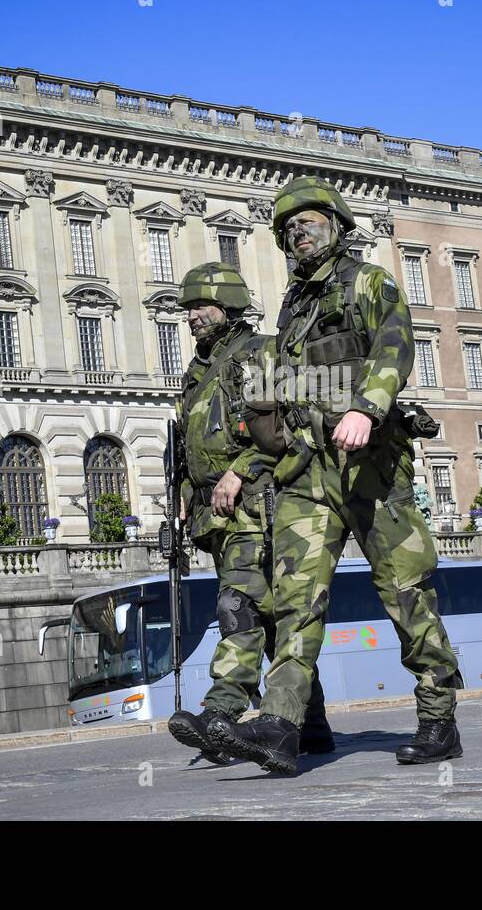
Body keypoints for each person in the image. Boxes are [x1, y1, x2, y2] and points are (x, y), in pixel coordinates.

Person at [208, 176, 463, 774]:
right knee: (295, 601)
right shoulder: (293, 308)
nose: (297, 232)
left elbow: (395, 344)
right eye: (287, 228)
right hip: (307, 467)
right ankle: (281, 725)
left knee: (406, 594)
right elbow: (280, 388)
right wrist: (255, 455)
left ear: (338, 225)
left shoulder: (368, 281)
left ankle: (438, 719)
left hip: (371, 466)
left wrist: (366, 408)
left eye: (309, 221)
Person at [165, 261, 333, 764]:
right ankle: (312, 728)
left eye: (202, 305)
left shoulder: (259, 355)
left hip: (256, 504)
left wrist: (240, 471)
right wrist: (183, 499)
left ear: (229, 306)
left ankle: (222, 708)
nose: (192, 315)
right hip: (216, 516)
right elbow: (189, 452)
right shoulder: (196, 374)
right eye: (189, 308)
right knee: (271, 622)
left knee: (237, 607)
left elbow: (287, 430)